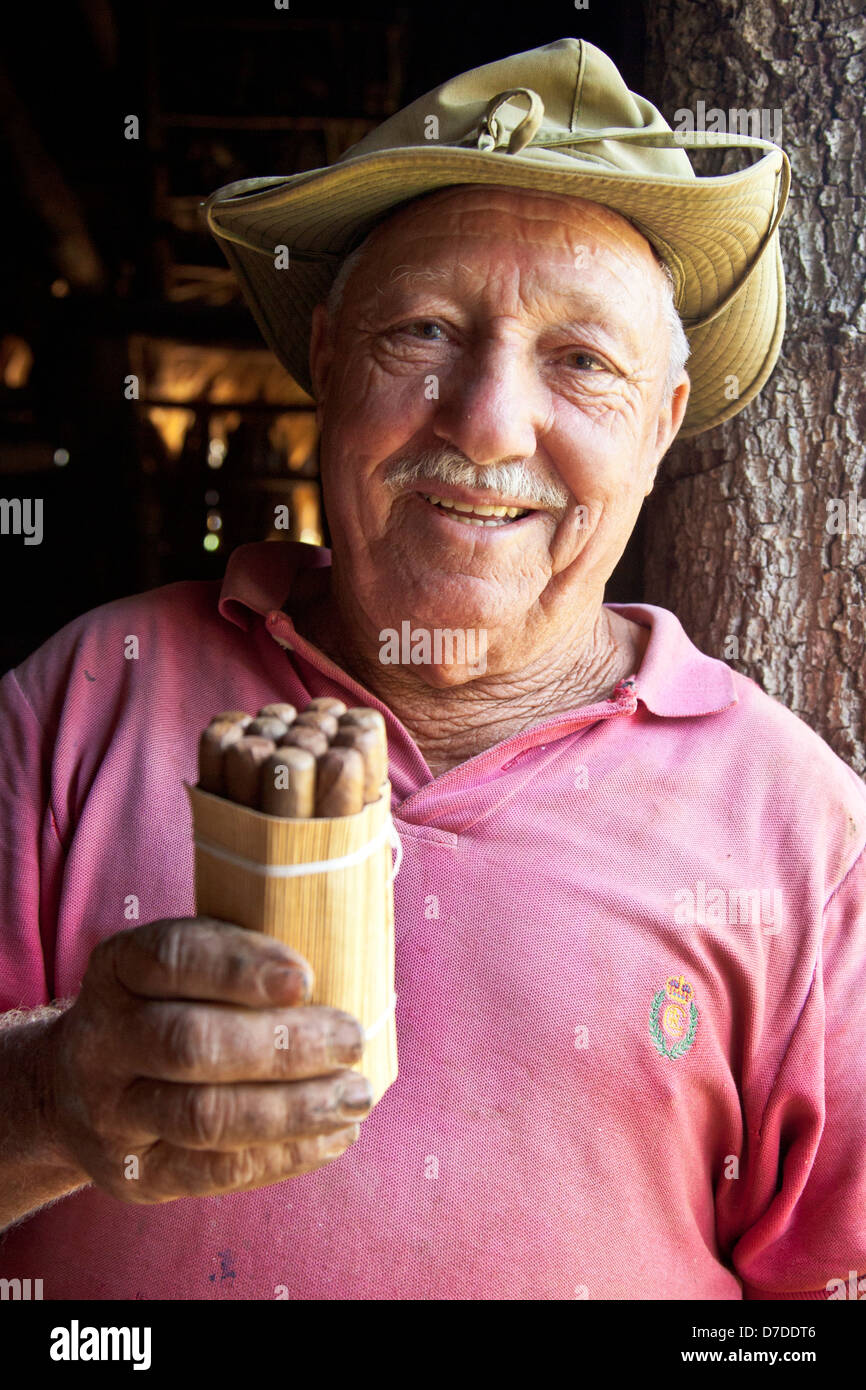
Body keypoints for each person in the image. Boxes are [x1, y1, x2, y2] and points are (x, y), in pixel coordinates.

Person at [0, 38, 863, 1301]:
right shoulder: (85, 697)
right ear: (332, 355)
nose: (486, 421)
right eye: (424, 330)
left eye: (580, 361)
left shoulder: (801, 829)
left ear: (662, 420)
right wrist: (50, 1090)